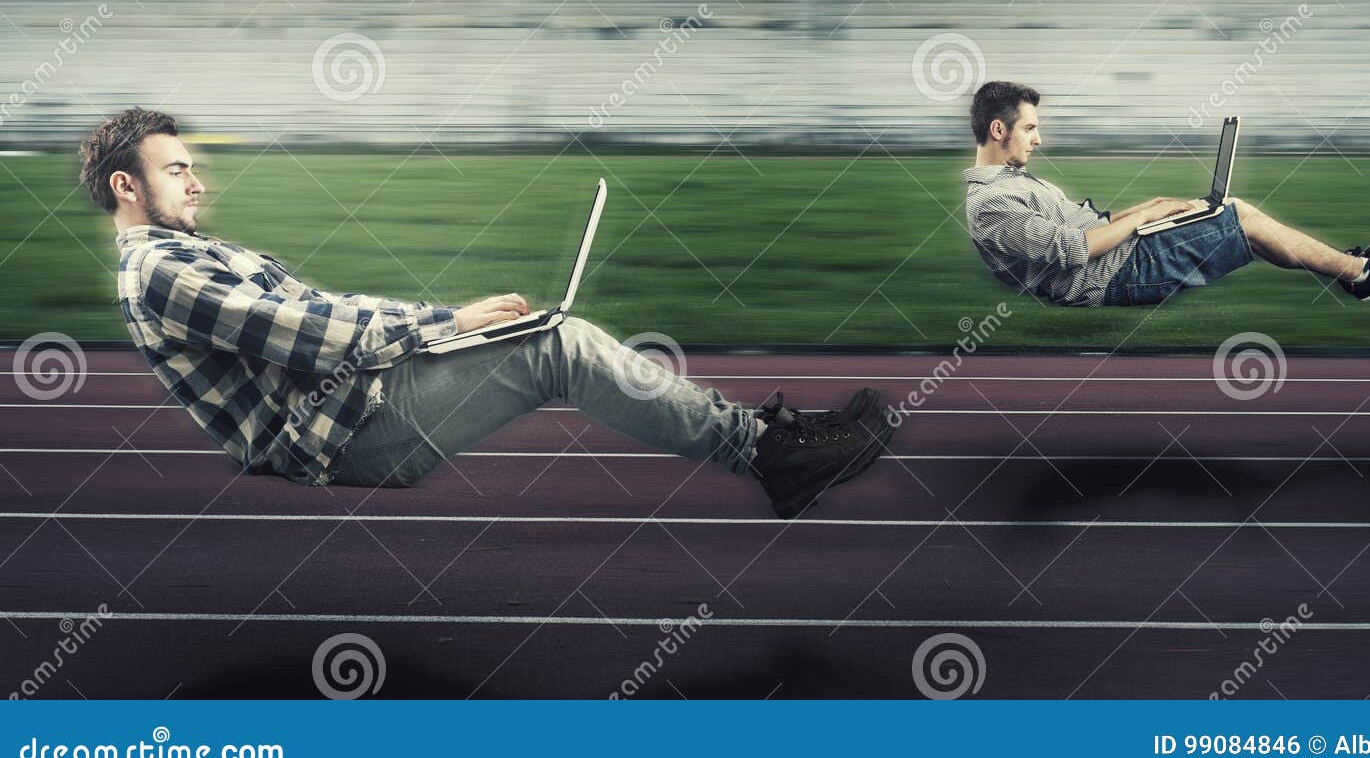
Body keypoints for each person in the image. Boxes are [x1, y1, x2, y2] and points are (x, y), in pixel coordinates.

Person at [81, 107, 891, 519]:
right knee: (559, 346)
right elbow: (310, 337)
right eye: (179, 169)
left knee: (538, 333)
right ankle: (769, 455)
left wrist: (450, 320)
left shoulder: (186, 253)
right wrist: (450, 326)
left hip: (356, 399)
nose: (197, 183)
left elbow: (333, 309)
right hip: (337, 435)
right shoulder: (158, 271)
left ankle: (767, 445)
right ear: (127, 186)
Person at [963, 81, 1370, 307]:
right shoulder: (990, 206)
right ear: (998, 128)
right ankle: (1359, 271)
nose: (1038, 139)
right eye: (1030, 128)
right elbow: (1074, 249)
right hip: (1112, 276)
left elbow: (1088, 222)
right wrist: (1145, 220)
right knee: (1239, 217)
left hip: (1123, 253)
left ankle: (1351, 267)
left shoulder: (1016, 182)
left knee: (1239, 222)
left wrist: (1151, 208)